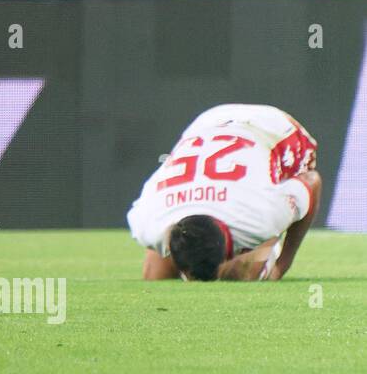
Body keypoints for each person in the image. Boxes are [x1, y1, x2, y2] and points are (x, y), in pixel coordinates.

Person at [127, 104, 321, 281]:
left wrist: (281, 266)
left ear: (229, 249)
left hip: (276, 132)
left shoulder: (258, 219)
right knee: (155, 276)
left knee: (243, 275)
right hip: (206, 125)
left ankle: (264, 259)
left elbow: (312, 182)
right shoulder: (150, 223)